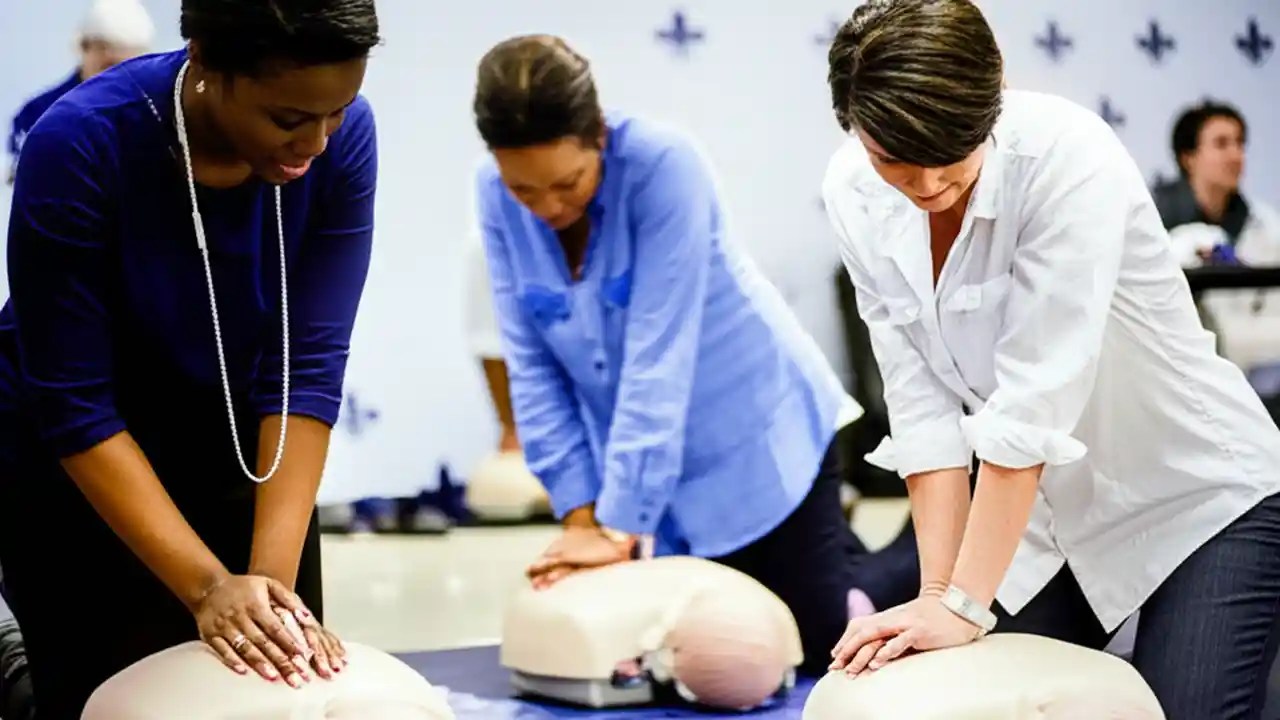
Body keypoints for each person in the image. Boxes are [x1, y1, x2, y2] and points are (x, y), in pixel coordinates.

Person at [820, 2, 1280, 719]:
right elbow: (922, 407)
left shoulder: (1068, 157)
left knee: (1186, 705)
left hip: (1197, 496)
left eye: (952, 154)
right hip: (1048, 524)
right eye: (894, 162)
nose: (928, 184)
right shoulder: (852, 192)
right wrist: (940, 598)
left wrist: (966, 603)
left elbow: (1031, 405)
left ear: (991, 105)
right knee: (977, 699)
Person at [469, 34, 921, 676]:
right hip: (662, 476)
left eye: (567, 183)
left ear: (597, 134)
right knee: (705, 651)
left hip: (760, 432)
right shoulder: (493, 195)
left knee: (818, 642)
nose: (547, 208)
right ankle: (839, 550)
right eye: (525, 192)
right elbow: (532, 369)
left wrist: (614, 528)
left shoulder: (663, 165)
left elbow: (659, 360)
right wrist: (579, 519)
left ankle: (930, 539)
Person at [0, 0, 381, 716]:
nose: (319, 144)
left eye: (337, 111)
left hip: (237, 444)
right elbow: (72, 399)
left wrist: (267, 588)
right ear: (204, 60)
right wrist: (207, 588)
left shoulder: (340, 135)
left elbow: (309, 364)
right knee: (100, 700)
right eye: (289, 119)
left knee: (275, 689)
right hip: (80, 458)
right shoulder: (79, 143)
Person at [1152, 101, 1280, 376]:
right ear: (1189, 157)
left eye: (1240, 143)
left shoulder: (1266, 227)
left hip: (1254, 380)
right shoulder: (1152, 226)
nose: (1236, 155)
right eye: (1222, 144)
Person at [6, 0, 155, 184]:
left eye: (126, 66)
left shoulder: (157, 116)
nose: (114, 78)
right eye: (107, 64)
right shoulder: (38, 115)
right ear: (84, 47)